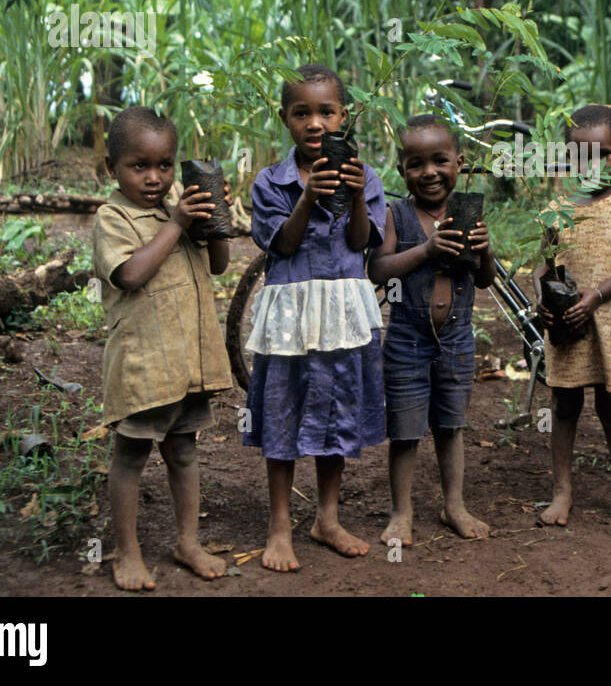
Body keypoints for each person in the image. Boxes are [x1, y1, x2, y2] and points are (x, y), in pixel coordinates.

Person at [243, 64, 387, 571]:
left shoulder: (365, 177)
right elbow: (279, 244)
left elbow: (359, 243)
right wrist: (307, 197)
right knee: (283, 409)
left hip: (343, 309)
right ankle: (279, 525)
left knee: (337, 409)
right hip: (291, 311)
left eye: (326, 111)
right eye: (302, 113)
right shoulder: (270, 182)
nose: (315, 123)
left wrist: (352, 195)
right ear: (285, 119)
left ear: (343, 116)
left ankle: (327, 517)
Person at [92, 106, 234, 591]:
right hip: (143, 366)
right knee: (130, 456)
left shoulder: (181, 207)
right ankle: (127, 552)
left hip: (187, 364)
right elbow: (130, 274)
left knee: (184, 452)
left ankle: (187, 541)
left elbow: (218, 265)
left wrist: (216, 215)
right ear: (112, 167)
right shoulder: (113, 218)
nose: (155, 177)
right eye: (139, 166)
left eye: (165, 165)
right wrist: (175, 222)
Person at [368, 115, 495, 547]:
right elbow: (378, 270)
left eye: (439, 161)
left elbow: (483, 280)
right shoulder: (396, 214)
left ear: (459, 163)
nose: (429, 172)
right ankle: (401, 512)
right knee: (405, 429)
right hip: (407, 337)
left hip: (457, 338)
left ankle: (453, 505)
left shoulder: (467, 215)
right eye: (416, 164)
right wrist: (426, 249)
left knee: (451, 425)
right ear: (402, 170)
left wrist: (486, 250)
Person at [534, 105, 611, 528]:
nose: (590, 167)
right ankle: (562, 492)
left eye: (601, 155)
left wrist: (598, 295)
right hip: (567, 324)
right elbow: (542, 266)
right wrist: (542, 300)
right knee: (565, 405)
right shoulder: (558, 207)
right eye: (579, 157)